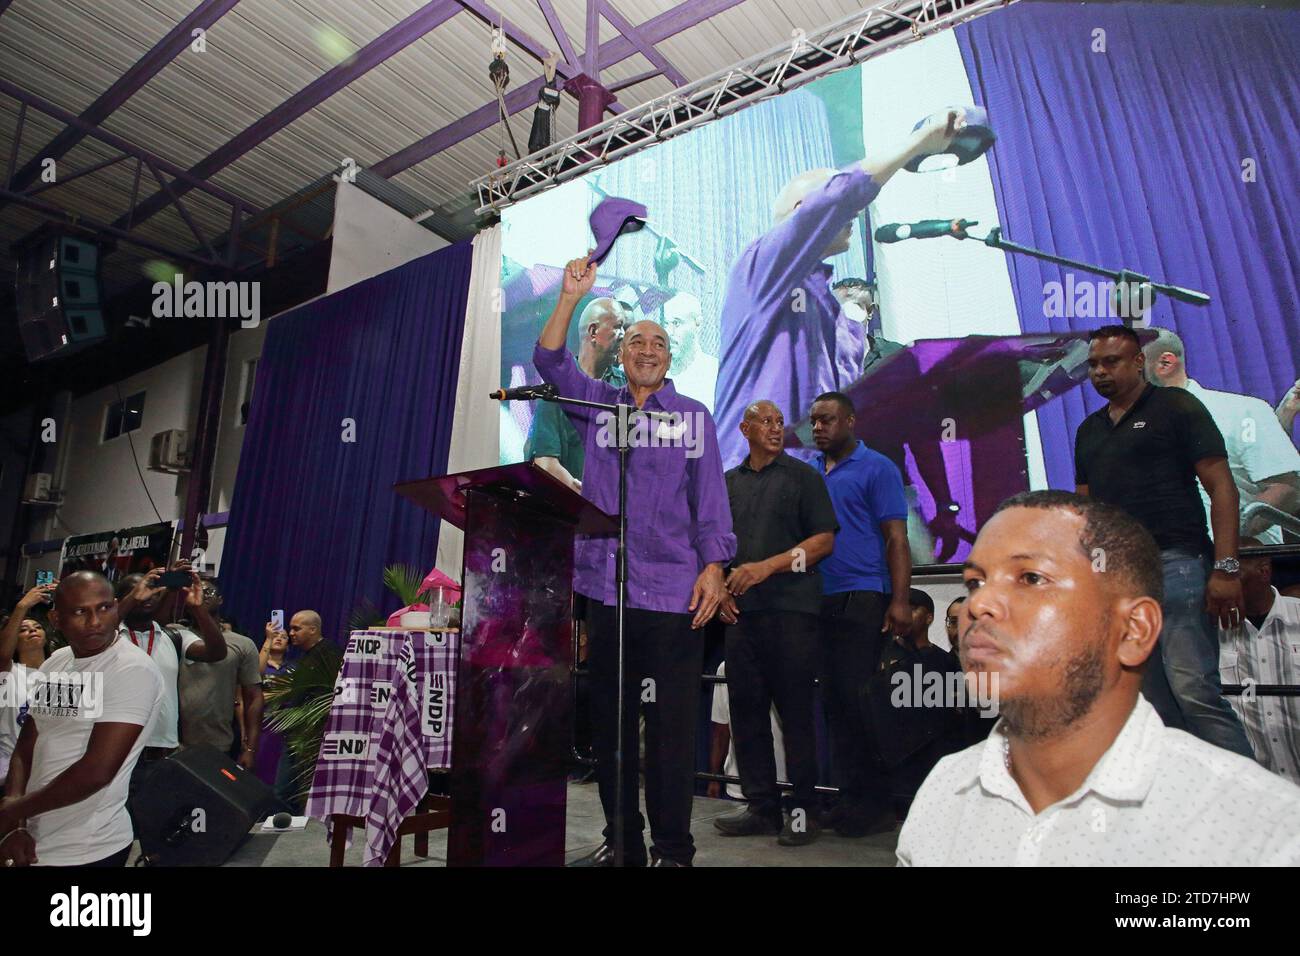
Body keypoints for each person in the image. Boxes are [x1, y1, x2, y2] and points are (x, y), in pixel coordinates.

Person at [897, 491, 1300, 866]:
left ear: (1133, 629)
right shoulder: (943, 791)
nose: (979, 603)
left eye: (1031, 578)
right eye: (974, 583)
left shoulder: (1258, 830)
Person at [535, 253, 735, 867]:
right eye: (638, 340)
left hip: (674, 597)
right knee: (612, 731)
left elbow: (710, 503)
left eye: (660, 342)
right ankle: (623, 843)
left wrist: (715, 566)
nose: (648, 348)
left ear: (670, 358)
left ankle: (674, 848)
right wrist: (570, 297)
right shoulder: (597, 407)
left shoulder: (691, 417)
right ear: (622, 353)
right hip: (607, 591)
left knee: (671, 731)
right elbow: (548, 361)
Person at [713, 109, 967, 468]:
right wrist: (918, 143)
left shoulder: (824, 306)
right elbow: (838, 198)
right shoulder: (759, 266)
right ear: (804, 211)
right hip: (748, 477)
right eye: (835, 204)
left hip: (811, 485)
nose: (853, 213)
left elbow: (844, 398)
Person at [1074, 325, 1253, 757]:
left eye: (1111, 362)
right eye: (1094, 364)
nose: (1100, 372)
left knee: (1195, 692)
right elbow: (1088, 516)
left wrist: (1226, 567)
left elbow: (1222, 487)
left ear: (1140, 362)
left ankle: (1251, 806)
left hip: (1179, 564)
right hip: (1121, 580)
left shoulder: (1176, 407)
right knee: (1152, 704)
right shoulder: (1088, 431)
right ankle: (1186, 809)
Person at [711, 400, 837, 846]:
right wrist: (720, 589)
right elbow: (712, 548)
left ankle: (803, 811)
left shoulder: (804, 477)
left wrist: (770, 567)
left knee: (796, 715)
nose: (776, 428)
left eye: (780, 422)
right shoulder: (725, 484)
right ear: (744, 429)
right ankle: (761, 807)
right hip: (741, 617)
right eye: (766, 421)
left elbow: (822, 542)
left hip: (791, 612)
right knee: (746, 714)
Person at [0, 571, 164, 867]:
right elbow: (28, 745)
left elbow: (96, 771)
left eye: (104, 608)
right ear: (56, 619)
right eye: (79, 612)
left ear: (117, 606)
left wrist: (11, 811)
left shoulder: (130, 669)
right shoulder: (58, 662)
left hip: (89, 847)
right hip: (34, 837)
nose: (95, 622)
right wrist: (17, 822)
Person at [810, 390, 912, 836]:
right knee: (835, 704)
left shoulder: (878, 467)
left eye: (827, 420)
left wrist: (900, 599)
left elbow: (896, 538)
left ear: (850, 421)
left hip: (863, 595)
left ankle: (875, 807)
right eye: (814, 421)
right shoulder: (809, 472)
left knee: (860, 703)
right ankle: (850, 799)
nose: (818, 428)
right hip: (819, 600)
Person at [1142, 326, 1300, 543]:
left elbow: (1286, 487)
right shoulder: (1124, 431)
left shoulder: (1242, 412)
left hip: (1233, 564)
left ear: (1165, 364)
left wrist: (1227, 539)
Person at [869, 587, 965, 812]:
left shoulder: (946, 663)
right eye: (953, 621)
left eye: (912, 609)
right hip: (890, 766)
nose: (903, 614)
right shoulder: (876, 657)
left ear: (929, 617)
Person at [115, 567, 228, 756]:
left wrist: (198, 610)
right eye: (138, 592)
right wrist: (134, 598)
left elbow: (216, 653)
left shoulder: (174, 637)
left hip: (162, 744)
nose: (146, 596)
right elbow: (103, 627)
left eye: (152, 590)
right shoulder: (110, 638)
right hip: (118, 743)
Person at [525, 296, 629, 492]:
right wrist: (589, 500)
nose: (624, 335)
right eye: (618, 326)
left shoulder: (625, 388)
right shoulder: (555, 390)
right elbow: (545, 463)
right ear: (593, 332)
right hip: (574, 513)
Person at [1218, 539, 1300, 782]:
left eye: (1233, 574)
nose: (1220, 585)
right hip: (1251, 792)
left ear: (1264, 572)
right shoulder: (1210, 630)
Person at [177, 582, 262, 768]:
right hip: (173, 742)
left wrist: (250, 749)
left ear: (221, 599)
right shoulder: (176, 634)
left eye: (209, 591)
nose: (203, 595)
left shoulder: (243, 644)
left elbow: (254, 697)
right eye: (196, 591)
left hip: (218, 744)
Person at [271, 610, 340, 811]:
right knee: (286, 791)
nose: (291, 633)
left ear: (313, 629)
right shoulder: (307, 657)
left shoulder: (329, 653)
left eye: (296, 628)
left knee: (287, 790)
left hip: (313, 734)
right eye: (291, 628)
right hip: (298, 731)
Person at [707, 660, 787, 803]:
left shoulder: (786, 662)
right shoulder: (726, 668)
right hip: (739, 784)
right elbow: (721, 730)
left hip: (783, 784)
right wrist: (714, 778)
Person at [0, 584, 55, 780]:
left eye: (38, 627)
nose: (33, 631)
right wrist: (22, 607)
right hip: (8, 768)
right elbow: (3, 654)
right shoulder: (9, 672)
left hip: (47, 769)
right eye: (24, 629)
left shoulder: (60, 674)